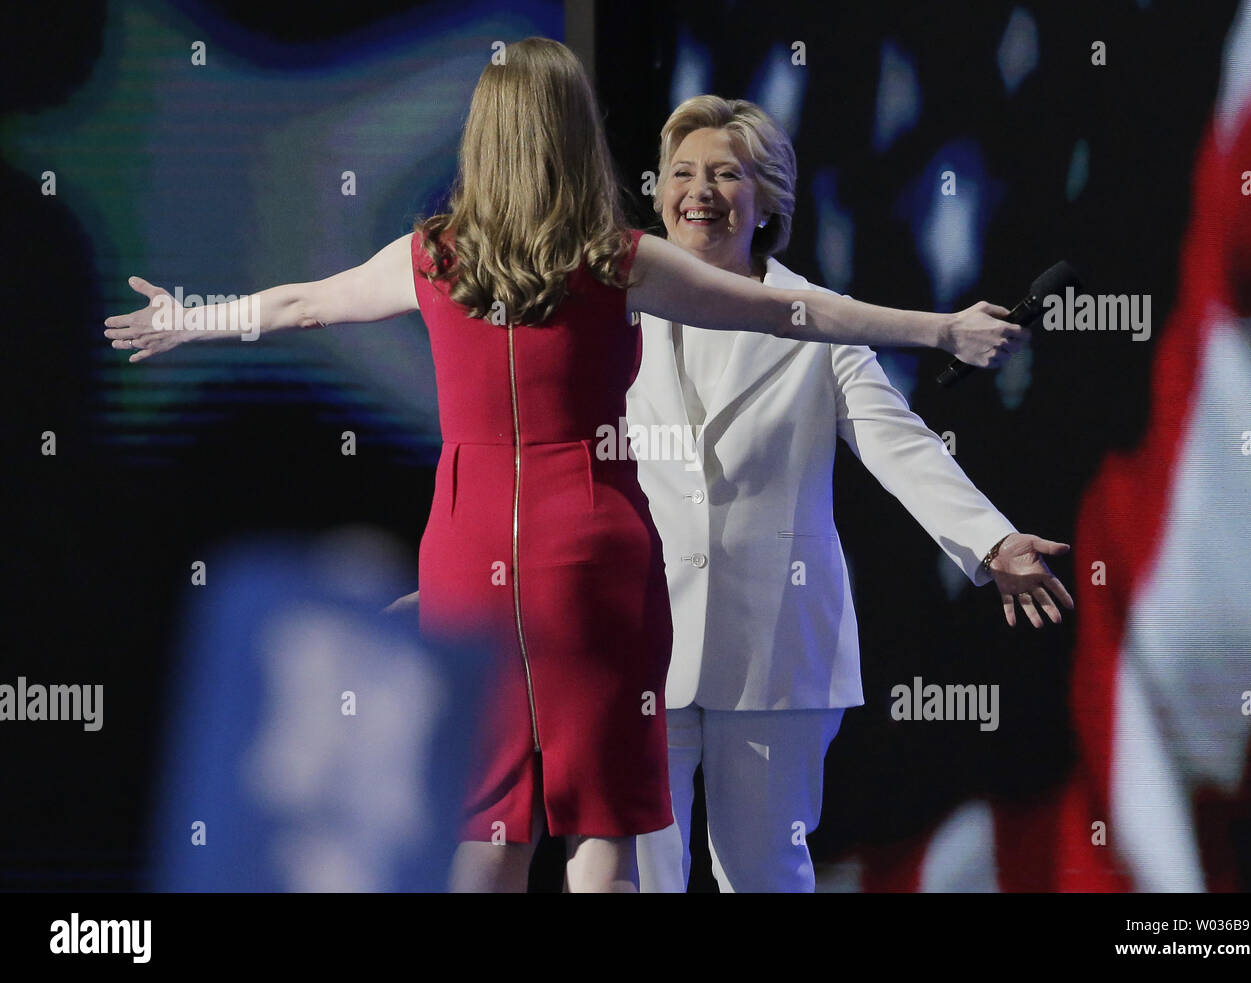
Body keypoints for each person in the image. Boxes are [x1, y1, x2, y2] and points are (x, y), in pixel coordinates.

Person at [106, 38, 1026, 893]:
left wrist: (195, 315)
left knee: (487, 821)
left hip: (468, 554)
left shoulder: (430, 256)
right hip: (596, 556)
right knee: (602, 822)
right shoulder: (617, 261)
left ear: (484, 138)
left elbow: (304, 303)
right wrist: (938, 327)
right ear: (578, 137)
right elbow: (788, 313)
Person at [626, 96, 1074, 893]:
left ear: (767, 200)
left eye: (726, 173)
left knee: (765, 874)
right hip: (636, 637)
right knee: (634, 870)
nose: (699, 190)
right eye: (683, 173)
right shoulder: (615, 308)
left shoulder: (821, 322)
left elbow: (899, 444)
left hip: (774, 648)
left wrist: (992, 540)